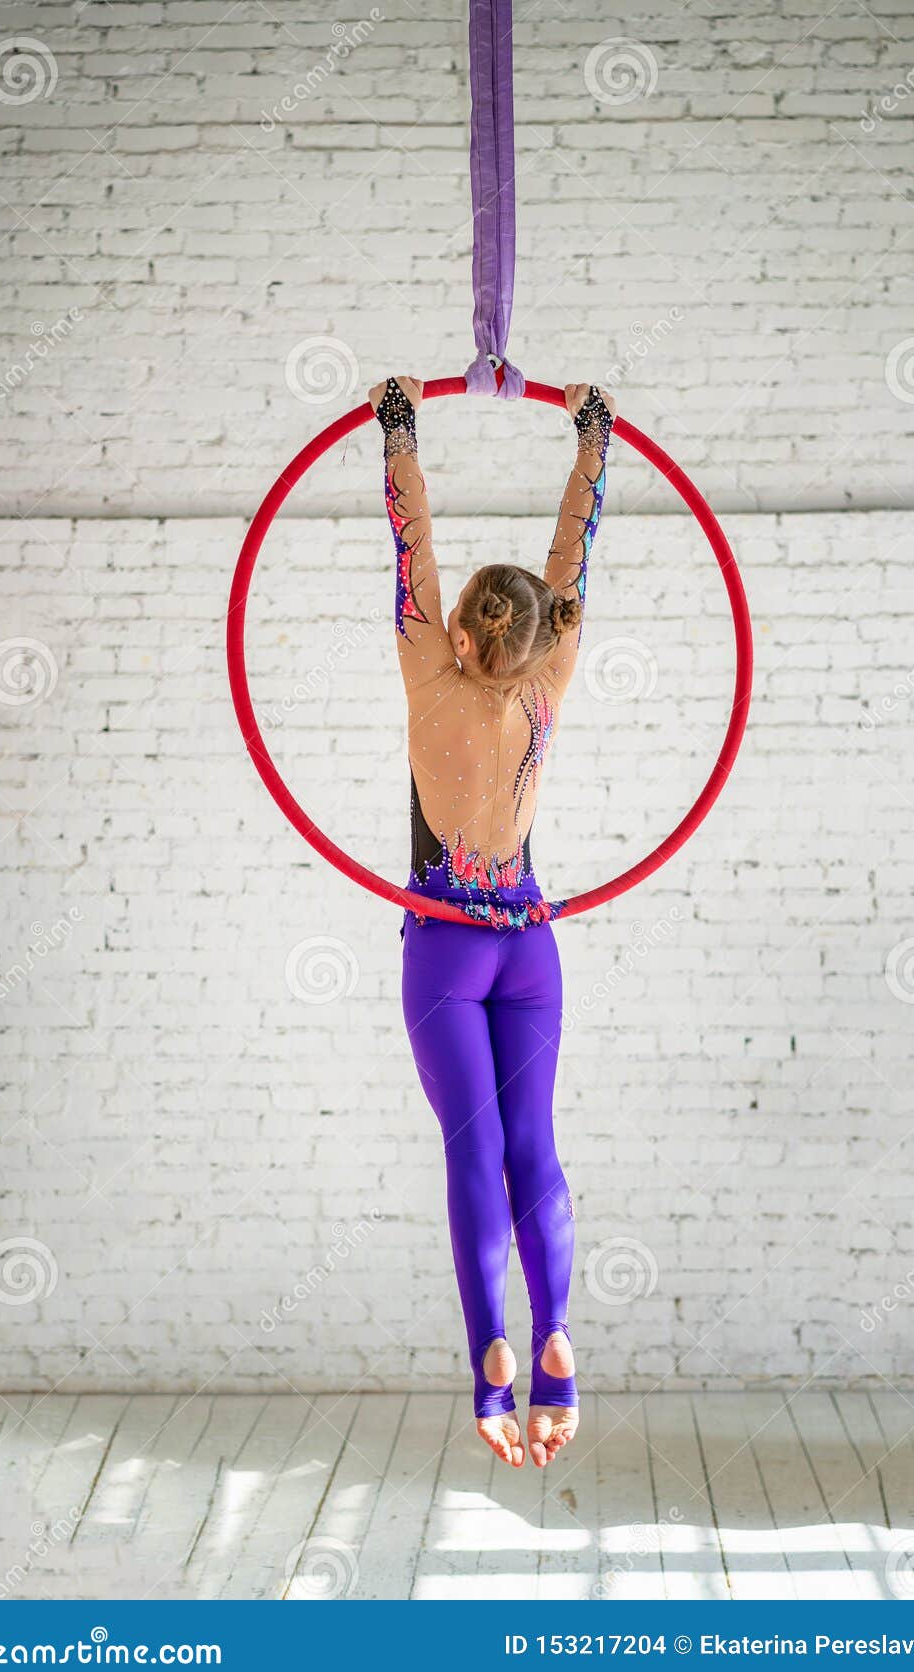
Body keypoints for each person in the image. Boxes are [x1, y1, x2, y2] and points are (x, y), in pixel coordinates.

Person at [370, 374, 615, 1469]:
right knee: (535, 1149)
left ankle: (491, 1359)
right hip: (529, 945)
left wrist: (399, 433)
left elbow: (408, 542)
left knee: (472, 1155)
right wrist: (588, 444)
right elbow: (571, 562)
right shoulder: (547, 676)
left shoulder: (429, 664)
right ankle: (556, 1331)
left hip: (445, 947)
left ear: (464, 630)